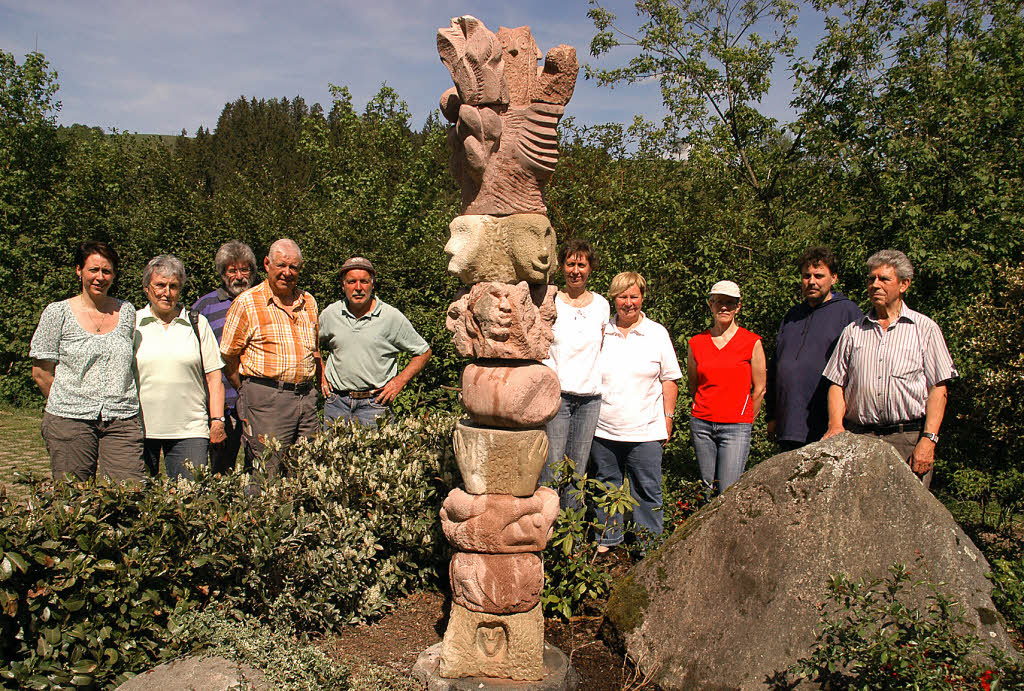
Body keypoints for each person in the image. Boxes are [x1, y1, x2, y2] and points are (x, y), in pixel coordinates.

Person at [823, 249, 957, 490]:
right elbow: (836, 384)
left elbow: (938, 389)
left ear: (904, 284)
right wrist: (835, 426)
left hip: (907, 441)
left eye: (884, 279)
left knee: (907, 519)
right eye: (871, 279)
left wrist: (929, 440)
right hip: (859, 438)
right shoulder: (853, 331)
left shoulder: (924, 329)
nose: (875, 285)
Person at [29, 241, 146, 482]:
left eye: (107, 271)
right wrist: (70, 402)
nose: (100, 277)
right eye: (93, 270)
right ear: (79, 270)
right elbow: (41, 373)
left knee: (129, 494)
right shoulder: (57, 312)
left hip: (121, 420)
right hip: (70, 421)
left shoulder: (126, 312)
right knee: (73, 500)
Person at [219, 239, 328, 477]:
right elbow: (228, 355)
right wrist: (245, 389)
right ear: (267, 264)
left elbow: (314, 349)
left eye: (294, 267)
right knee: (265, 472)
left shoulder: (308, 302)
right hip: (266, 400)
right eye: (281, 265)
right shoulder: (247, 302)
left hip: (306, 399)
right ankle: (257, 515)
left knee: (307, 470)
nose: (287, 273)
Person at [591, 272, 682, 553]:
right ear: (613, 299)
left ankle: (649, 545)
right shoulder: (601, 331)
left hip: (646, 429)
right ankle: (608, 539)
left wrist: (668, 419)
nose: (628, 303)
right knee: (606, 488)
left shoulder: (656, 333)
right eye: (622, 296)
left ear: (642, 297)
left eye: (634, 296)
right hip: (604, 429)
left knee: (647, 492)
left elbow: (670, 379)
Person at [134, 255, 226, 480]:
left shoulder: (196, 323)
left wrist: (217, 421)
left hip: (190, 431)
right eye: (160, 285)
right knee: (138, 502)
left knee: (191, 501)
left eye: (173, 286)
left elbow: (214, 379)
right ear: (147, 289)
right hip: (141, 429)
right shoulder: (133, 324)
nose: (167, 292)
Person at [766, 247, 863, 450]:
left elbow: (858, 370)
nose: (812, 281)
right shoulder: (791, 316)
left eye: (819, 276)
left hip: (826, 425)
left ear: (833, 278)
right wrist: (772, 415)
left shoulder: (849, 313)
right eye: (806, 276)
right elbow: (775, 369)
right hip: (789, 423)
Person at [320, 256, 432, 428]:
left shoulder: (390, 317)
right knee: (331, 455)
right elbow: (311, 345)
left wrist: (398, 382)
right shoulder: (331, 314)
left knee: (374, 455)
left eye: (364, 281)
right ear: (343, 286)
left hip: (374, 406)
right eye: (352, 282)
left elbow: (423, 352)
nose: (358, 288)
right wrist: (322, 372)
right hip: (336, 404)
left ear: (372, 284)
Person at [540, 239, 609, 508]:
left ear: (590, 268)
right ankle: (547, 533)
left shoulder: (602, 305)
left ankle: (573, 538)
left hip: (590, 399)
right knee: (553, 467)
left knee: (578, 470)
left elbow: (603, 345)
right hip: (557, 397)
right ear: (562, 267)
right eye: (571, 264)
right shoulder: (550, 301)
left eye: (581, 264)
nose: (576, 270)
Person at [687, 280, 767, 496]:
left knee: (727, 491)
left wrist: (747, 417)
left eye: (730, 303)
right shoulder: (696, 342)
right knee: (705, 488)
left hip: (736, 427)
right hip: (702, 424)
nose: (724, 307)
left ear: (738, 307)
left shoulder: (752, 342)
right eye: (719, 302)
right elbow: (693, 384)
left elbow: (759, 389)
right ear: (710, 304)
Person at [192, 240, 258, 473]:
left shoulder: (262, 301)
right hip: (223, 405)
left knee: (259, 465)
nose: (239, 276)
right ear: (222, 274)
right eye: (232, 270)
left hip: (258, 401)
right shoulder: (205, 306)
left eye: (244, 269)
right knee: (220, 468)